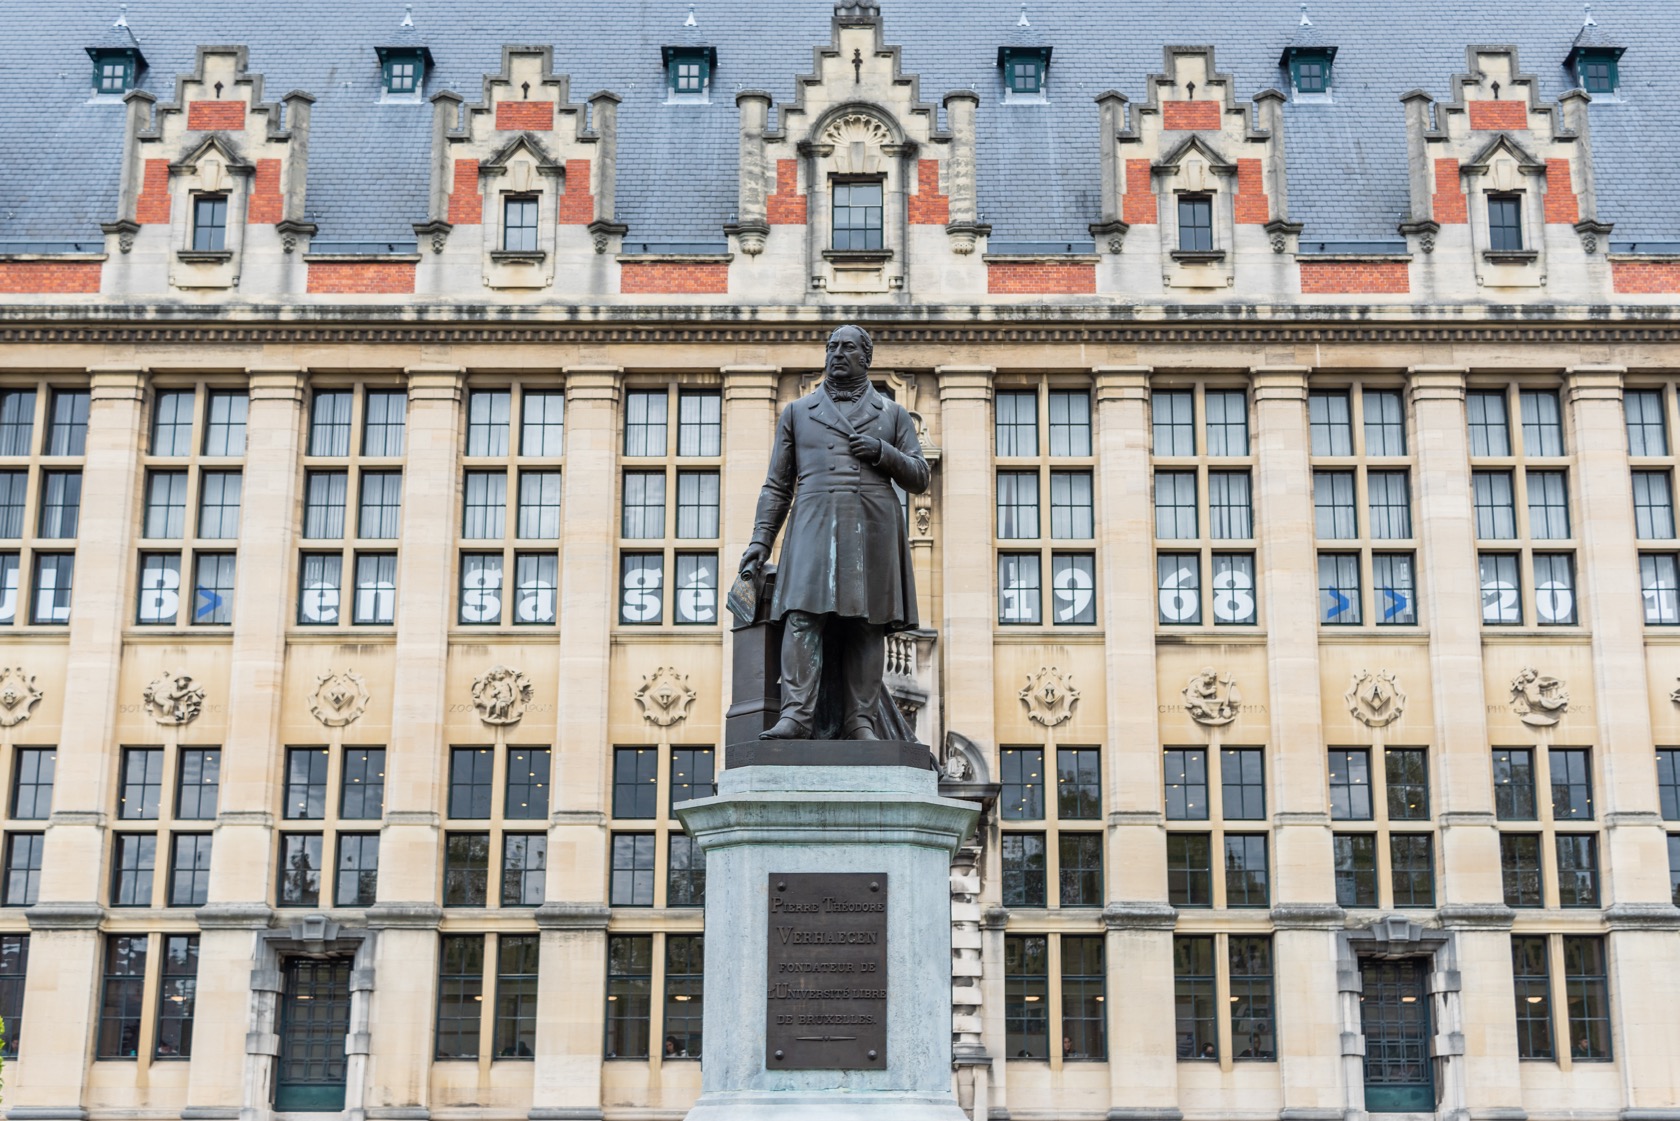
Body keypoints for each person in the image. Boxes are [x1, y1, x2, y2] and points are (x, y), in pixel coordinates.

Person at [739, 324, 930, 740]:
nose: (837, 353)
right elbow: (777, 485)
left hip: (873, 524)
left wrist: (883, 452)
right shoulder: (797, 412)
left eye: (847, 347)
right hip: (813, 520)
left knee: (867, 624)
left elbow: (919, 476)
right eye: (831, 347)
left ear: (866, 358)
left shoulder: (892, 413)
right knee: (801, 615)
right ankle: (796, 715)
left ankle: (860, 720)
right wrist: (760, 540)